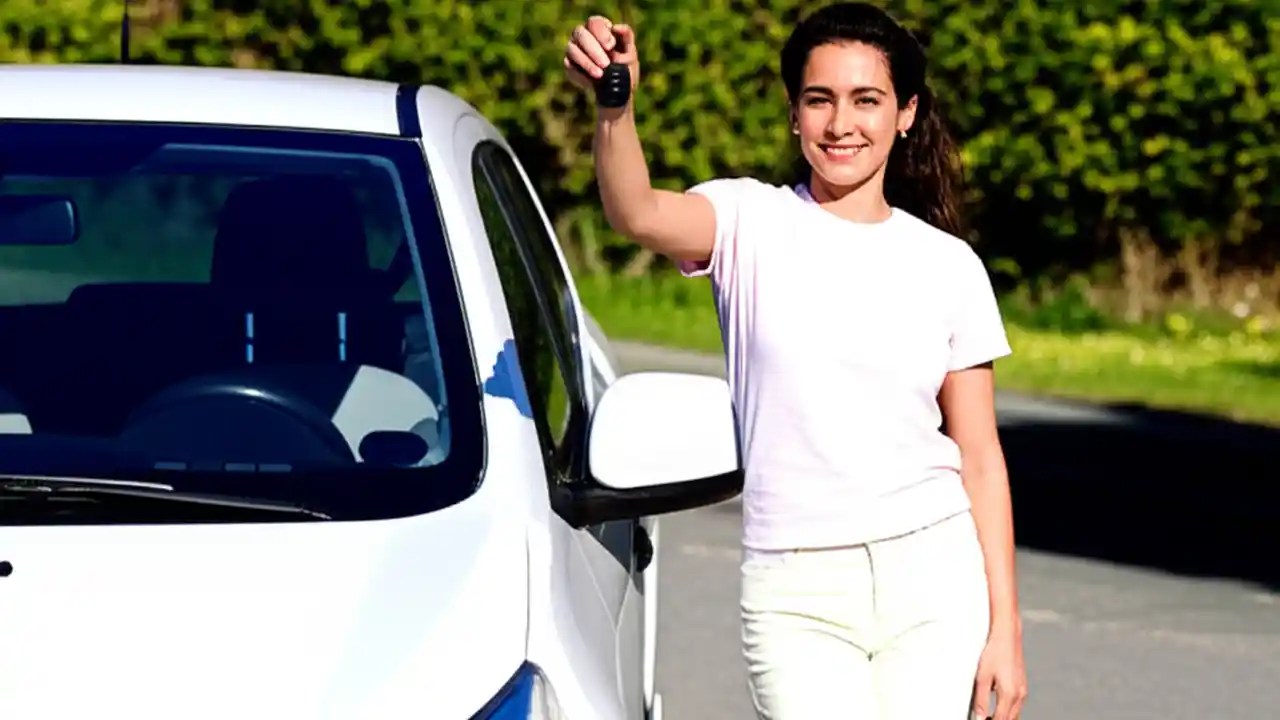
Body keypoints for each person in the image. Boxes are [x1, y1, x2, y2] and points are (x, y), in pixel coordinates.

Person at [563, 3, 1027, 719]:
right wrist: (614, 109)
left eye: (867, 100)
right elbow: (638, 214)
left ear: (905, 113)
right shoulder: (748, 221)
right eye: (821, 100)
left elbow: (980, 459)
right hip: (796, 591)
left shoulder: (950, 266)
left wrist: (1006, 630)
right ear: (794, 113)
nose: (842, 124)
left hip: (934, 577)